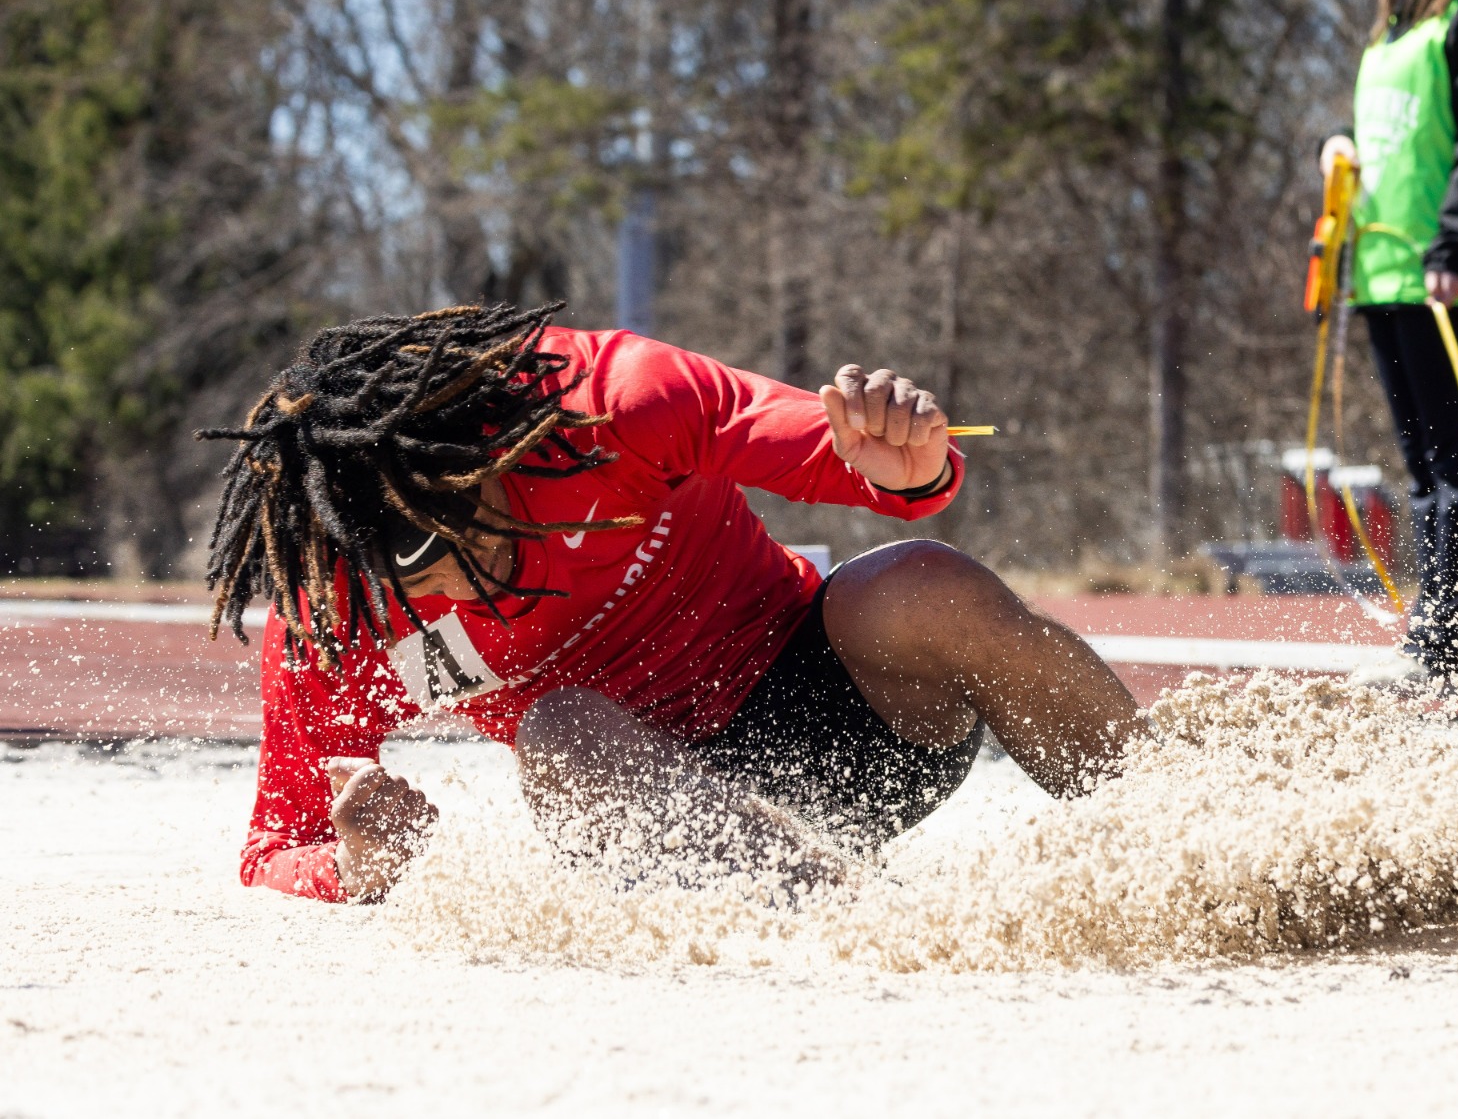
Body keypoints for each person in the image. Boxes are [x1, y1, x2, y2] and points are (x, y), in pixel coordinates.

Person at [203, 301, 1144, 902]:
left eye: (425, 538)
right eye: (391, 570)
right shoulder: (335, 616)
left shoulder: (610, 402)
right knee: (560, 726)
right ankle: (854, 921)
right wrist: (350, 867)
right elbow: (274, 845)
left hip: (844, 719)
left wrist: (913, 455)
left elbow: (873, 466)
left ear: (481, 448)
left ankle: (1179, 814)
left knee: (917, 580)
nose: (435, 577)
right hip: (662, 821)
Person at [1320, 0, 1458, 693]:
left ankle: (1457, 639)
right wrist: (1336, 142)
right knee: (1421, 467)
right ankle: (1439, 632)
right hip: (1383, 277)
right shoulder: (1391, 35)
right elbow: (1388, 136)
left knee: (1457, 463)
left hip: (1448, 276)